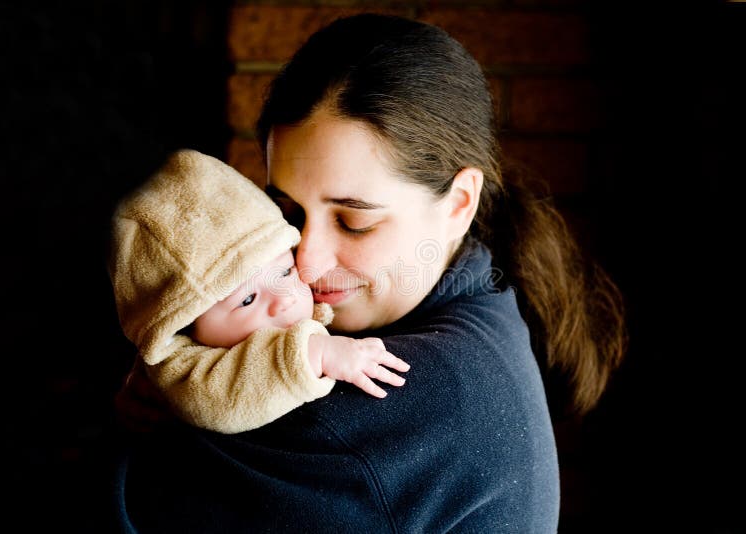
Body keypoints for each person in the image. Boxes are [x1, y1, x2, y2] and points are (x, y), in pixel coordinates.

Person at [112, 13, 626, 533]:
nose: (305, 263)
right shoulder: (478, 299)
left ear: (458, 204)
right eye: (288, 214)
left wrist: (173, 376)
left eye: (354, 222)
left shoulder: (380, 404)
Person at [108, 148, 410, 434]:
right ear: (184, 328)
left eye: (285, 272)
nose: (284, 299)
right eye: (248, 299)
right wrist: (315, 354)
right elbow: (219, 402)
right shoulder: (189, 373)